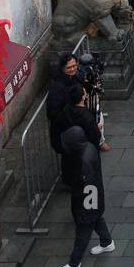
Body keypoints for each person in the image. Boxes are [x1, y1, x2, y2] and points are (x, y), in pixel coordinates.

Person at [56, 125, 114, 267]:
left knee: (83, 231)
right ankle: (107, 242)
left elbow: (88, 187)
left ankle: (74, 263)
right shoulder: (88, 148)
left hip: (87, 201)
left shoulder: (83, 161)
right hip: (93, 199)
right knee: (96, 219)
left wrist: (87, 209)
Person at [47, 51, 87, 185]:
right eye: (69, 67)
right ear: (63, 68)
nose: (72, 69)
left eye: (74, 66)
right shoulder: (57, 88)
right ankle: (70, 182)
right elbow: (53, 113)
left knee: (76, 156)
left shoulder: (75, 77)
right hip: (64, 130)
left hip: (75, 126)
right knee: (69, 157)